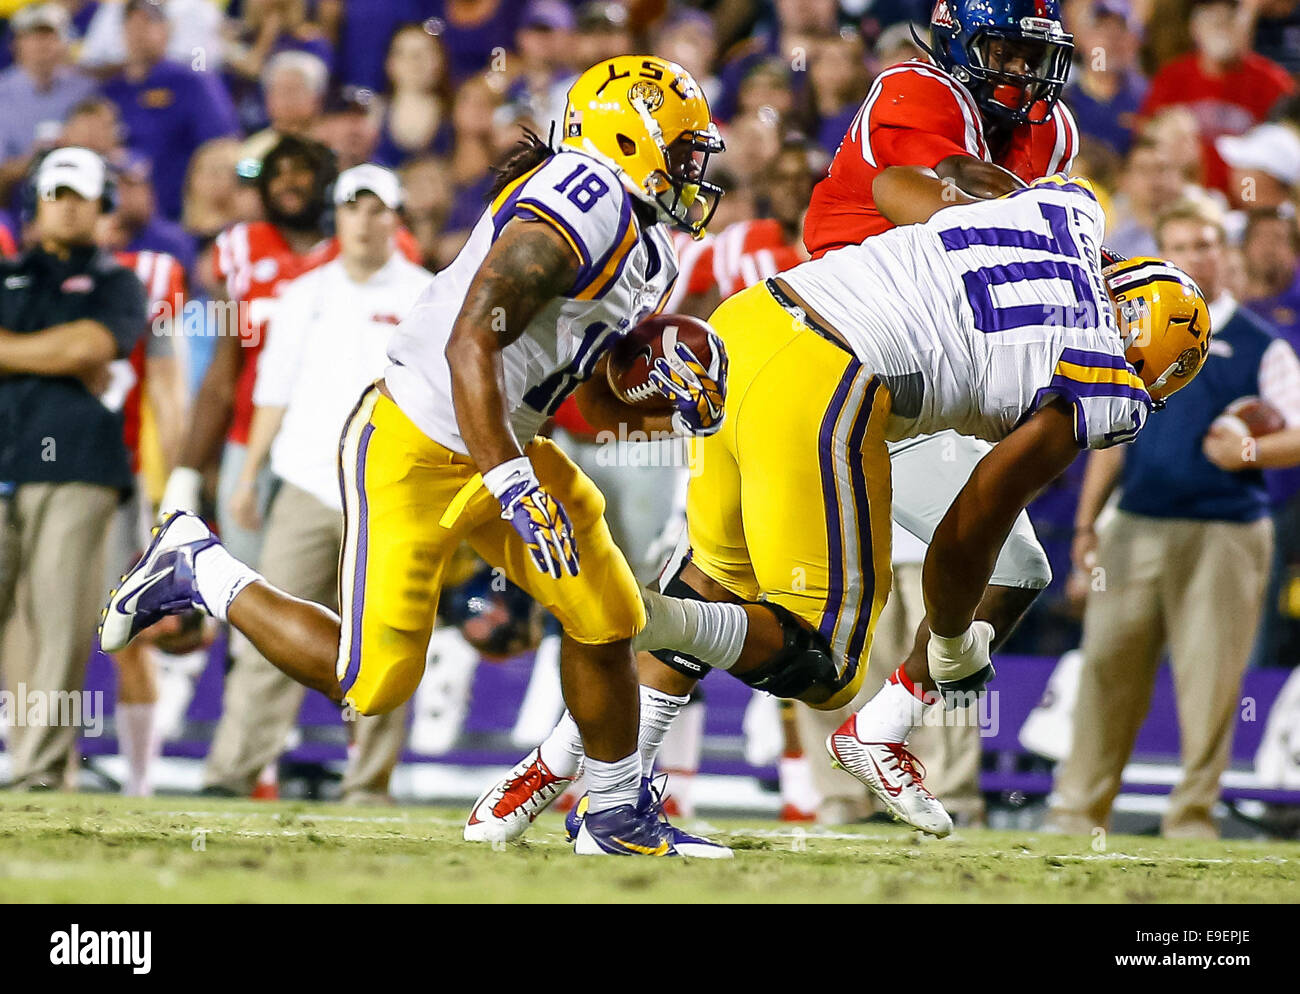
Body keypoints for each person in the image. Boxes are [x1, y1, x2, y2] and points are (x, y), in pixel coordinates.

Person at [104, 55, 733, 858]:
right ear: (627, 140)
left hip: (507, 439)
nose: (693, 171)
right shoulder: (583, 199)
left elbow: (583, 396)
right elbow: (473, 338)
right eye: (681, 152)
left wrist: (659, 395)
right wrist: (512, 482)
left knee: (608, 613)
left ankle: (613, 816)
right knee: (374, 683)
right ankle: (196, 563)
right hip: (418, 441)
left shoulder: (649, 247)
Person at [471, 170, 1210, 844]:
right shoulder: (1101, 380)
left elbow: (902, 188)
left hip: (751, 323)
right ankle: (629, 608)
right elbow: (969, 526)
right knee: (821, 660)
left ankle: (554, 777)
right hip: (836, 376)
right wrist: (951, 642)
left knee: (722, 587)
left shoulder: (1066, 209)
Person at [1050, 201, 1300, 838]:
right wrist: (1086, 525)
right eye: (1186, 245)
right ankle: (1078, 812)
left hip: (1229, 531)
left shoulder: (1259, 342)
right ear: (1163, 257)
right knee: (1106, 666)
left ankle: (1191, 815)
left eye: (1211, 242)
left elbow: (1297, 431)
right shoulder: (1141, 336)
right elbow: (1112, 440)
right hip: (1136, 523)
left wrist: (1248, 450)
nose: (1201, 254)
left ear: (1228, 252)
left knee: (1212, 680)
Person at [211, 165, 431, 803]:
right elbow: (272, 393)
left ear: (396, 218)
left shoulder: (427, 294)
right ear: (337, 217)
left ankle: (370, 782)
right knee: (267, 633)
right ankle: (232, 773)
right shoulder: (304, 293)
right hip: (306, 483)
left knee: (388, 637)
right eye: (353, 208)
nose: (365, 220)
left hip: (390, 492)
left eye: (377, 208)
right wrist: (249, 475)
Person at [0, 147, 147, 790]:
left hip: (79, 465)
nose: (64, 206)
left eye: (79, 196)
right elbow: (75, 349)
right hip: (6, 457)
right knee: (15, 620)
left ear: (102, 209)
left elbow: (94, 344)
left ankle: (36, 767)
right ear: (36, 202)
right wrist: (56, 354)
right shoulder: (8, 273)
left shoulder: (118, 281)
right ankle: (41, 757)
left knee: (59, 617)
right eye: (55, 193)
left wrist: (14, 352)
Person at [98, 0, 240, 221]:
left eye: (148, 23)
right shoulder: (111, 90)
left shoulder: (192, 82)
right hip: (121, 218)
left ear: (167, 29)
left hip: (181, 214)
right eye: (132, 24)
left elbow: (223, 146)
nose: (139, 32)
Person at [1139, 0, 1294, 194]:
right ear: (1194, 29)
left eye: (1229, 21)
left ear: (1244, 25)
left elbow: (1289, 144)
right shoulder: (1171, 78)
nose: (1221, 29)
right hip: (1185, 196)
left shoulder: (1273, 81)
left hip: (1249, 200)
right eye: (1213, 21)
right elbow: (1148, 140)